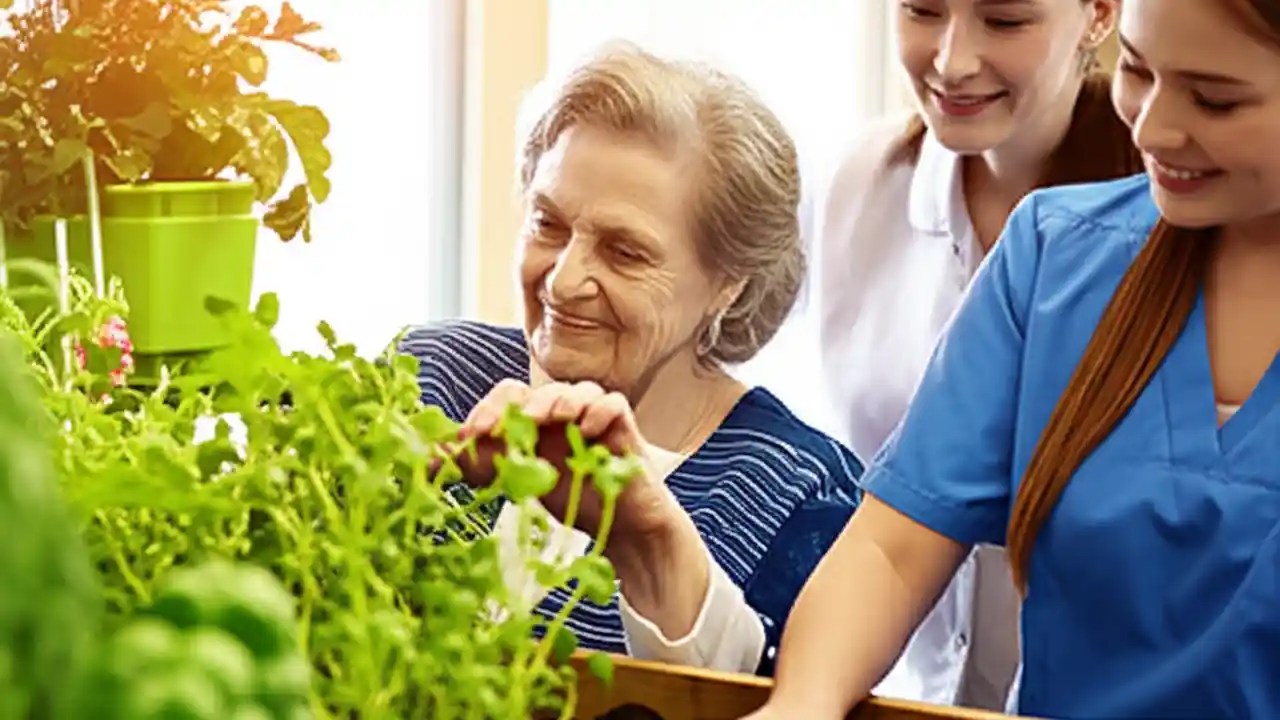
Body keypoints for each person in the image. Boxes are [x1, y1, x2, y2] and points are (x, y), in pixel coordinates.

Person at [748, 0, 1280, 717]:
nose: (1151, 127)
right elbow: (892, 549)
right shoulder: (1055, 259)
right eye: (1137, 69)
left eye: (1214, 100)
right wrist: (801, 704)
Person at [398, 43, 863, 675]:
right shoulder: (427, 375)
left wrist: (646, 538)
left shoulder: (801, 490)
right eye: (548, 225)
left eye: (624, 252)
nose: (563, 282)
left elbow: (773, 703)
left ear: (731, 284)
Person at [808, 0, 1140, 709]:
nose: (952, 60)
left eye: (1006, 21)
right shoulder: (857, 186)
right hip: (884, 690)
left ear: (1100, 14)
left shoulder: (1165, 218)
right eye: (923, 10)